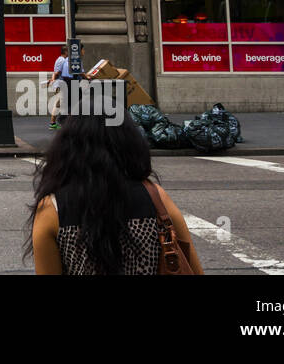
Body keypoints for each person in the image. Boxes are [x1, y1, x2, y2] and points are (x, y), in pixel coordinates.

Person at [27, 111, 204, 275]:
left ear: (67, 148)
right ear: (130, 144)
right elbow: (194, 269)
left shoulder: (53, 209)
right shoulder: (155, 198)